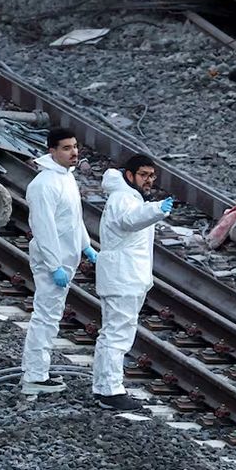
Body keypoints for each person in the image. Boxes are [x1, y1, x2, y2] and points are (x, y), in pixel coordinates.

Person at [92, 154, 174, 411]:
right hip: (122, 277)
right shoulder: (123, 198)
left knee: (115, 333)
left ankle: (104, 388)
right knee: (117, 335)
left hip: (126, 277)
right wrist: (156, 210)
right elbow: (130, 220)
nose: (149, 181)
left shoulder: (130, 197)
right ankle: (111, 391)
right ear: (129, 175)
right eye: (143, 175)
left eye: (152, 176)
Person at [21, 127, 94, 396]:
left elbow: (72, 218)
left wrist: (86, 246)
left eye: (75, 146)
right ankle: (35, 376)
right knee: (46, 317)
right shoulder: (43, 184)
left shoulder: (66, 178)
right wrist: (54, 266)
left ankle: (38, 372)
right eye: (66, 148)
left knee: (51, 315)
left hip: (66, 258)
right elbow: (44, 228)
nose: (74, 152)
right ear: (51, 151)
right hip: (54, 262)